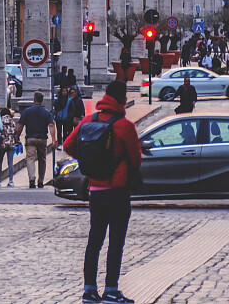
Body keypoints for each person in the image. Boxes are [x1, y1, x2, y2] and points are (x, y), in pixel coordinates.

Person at [63, 79, 143, 304]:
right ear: (123, 100)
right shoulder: (124, 126)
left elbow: (68, 145)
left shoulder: (88, 121)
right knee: (116, 242)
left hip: (95, 191)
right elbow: (136, 160)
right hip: (117, 191)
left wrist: (90, 160)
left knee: (94, 240)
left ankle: (89, 290)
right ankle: (110, 290)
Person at [20, 92, 57, 188]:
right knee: (42, 159)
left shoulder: (27, 111)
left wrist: (16, 136)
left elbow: (20, 125)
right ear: (42, 100)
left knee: (30, 158)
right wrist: (54, 140)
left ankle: (32, 179)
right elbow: (51, 125)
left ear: (34, 99)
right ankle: (41, 181)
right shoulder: (46, 112)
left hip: (30, 138)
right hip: (42, 138)